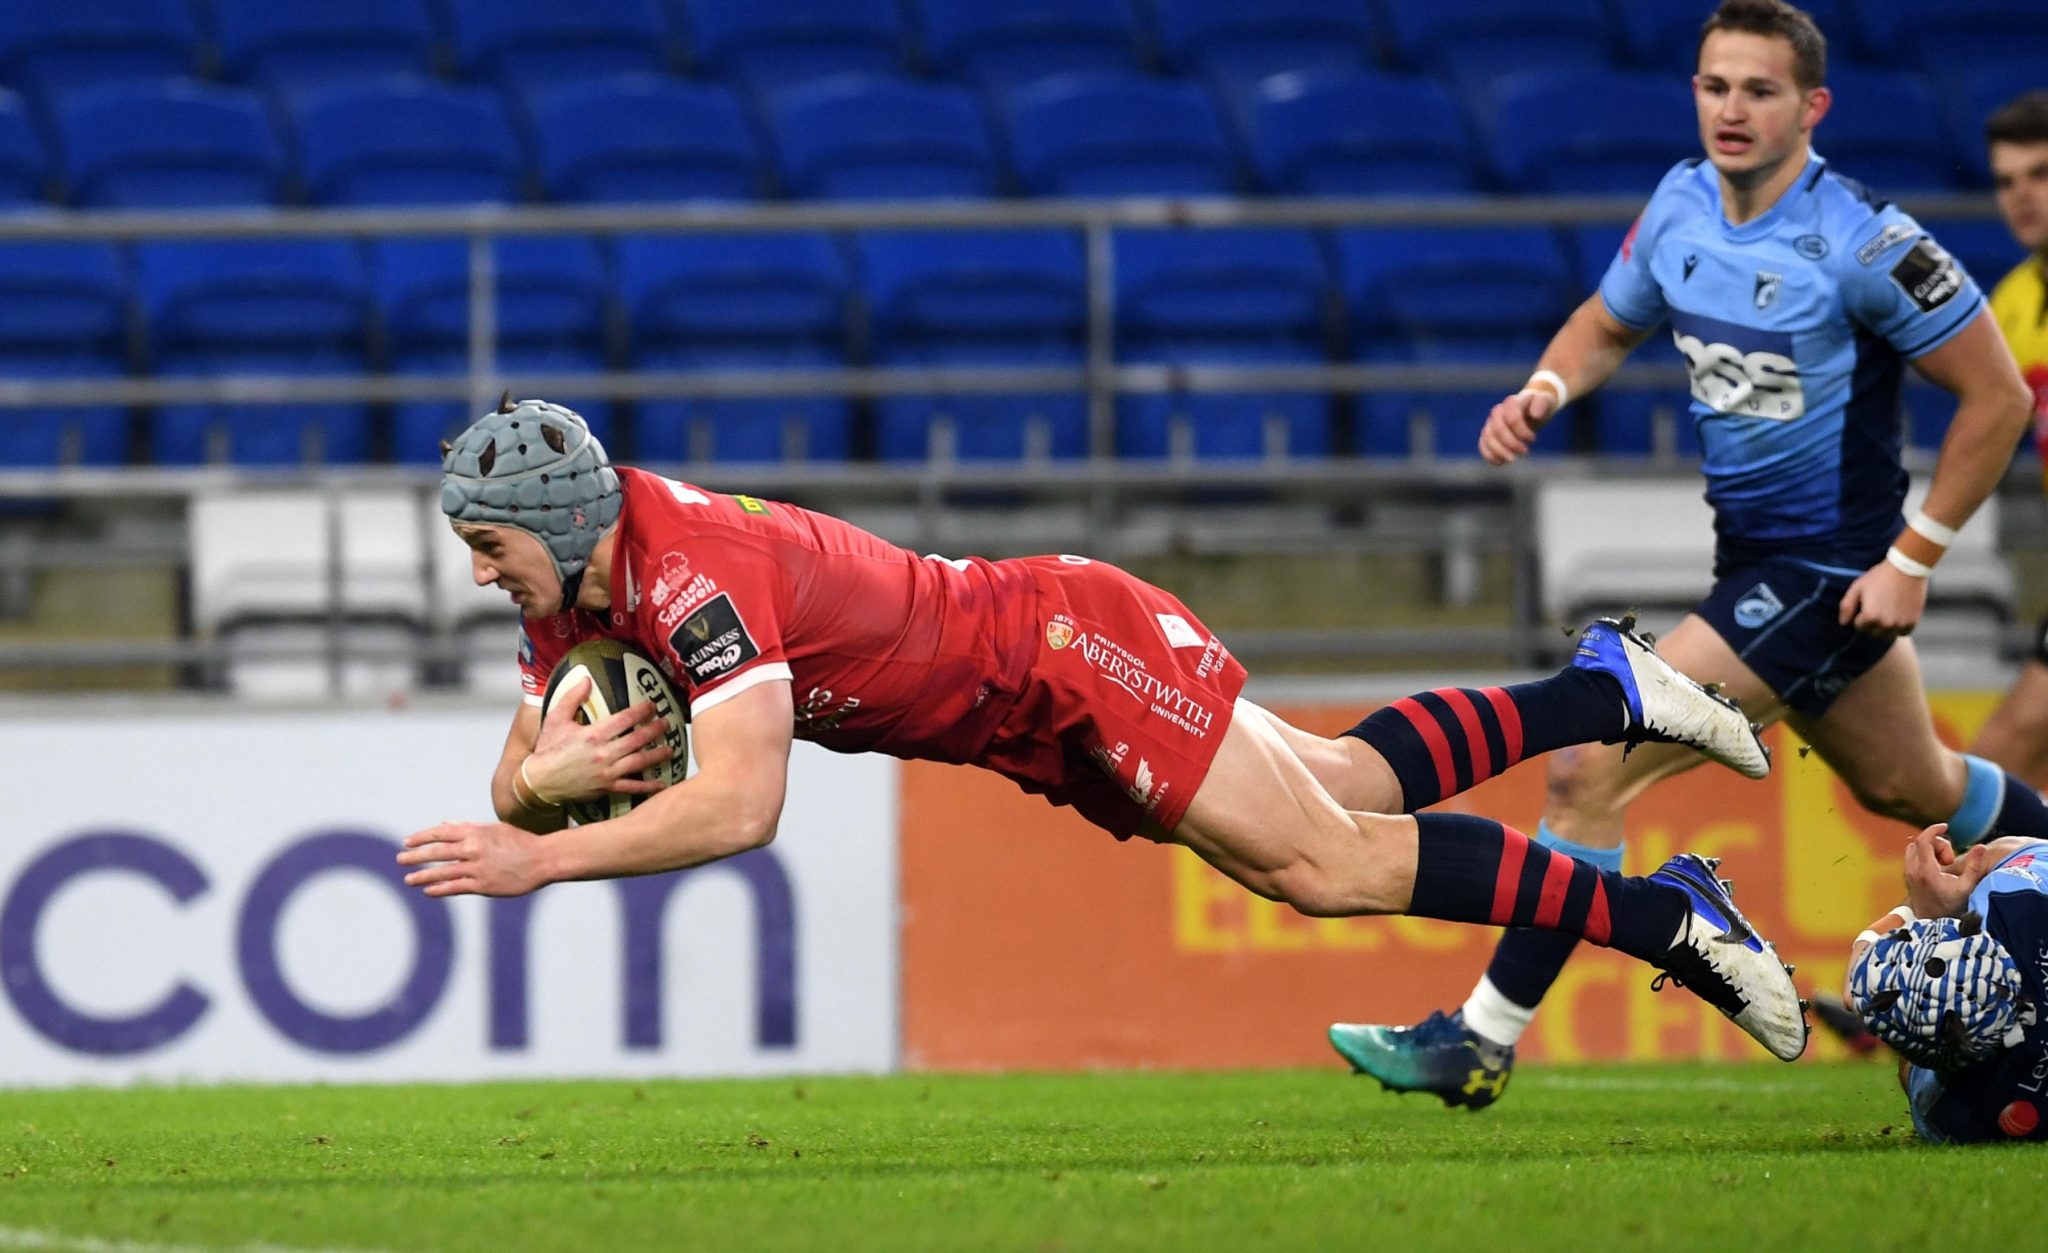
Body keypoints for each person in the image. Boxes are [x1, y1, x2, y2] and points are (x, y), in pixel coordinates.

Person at [395, 396, 1808, 1062]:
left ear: (564, 524)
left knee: (1323, 864)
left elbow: (744, 805)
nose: (478, 569)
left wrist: (545, 858)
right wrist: (547, 789)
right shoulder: (568, 586)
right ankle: (1604, 690)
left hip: (1061, 654)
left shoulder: (693, 571)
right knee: (1343, 779)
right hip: (1024, 710)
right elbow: (516, 781)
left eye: (488, 542)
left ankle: (1667, 922)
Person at [1329, 0, 2048, 1107]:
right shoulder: (1676, 204)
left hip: (1824, 569)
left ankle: (1478, 1037)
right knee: (1915, 782)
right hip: (1754, 565)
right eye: (1713, 86)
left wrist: (1912, 554)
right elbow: (1607, 320)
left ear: (1810, 107)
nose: (1730, 109)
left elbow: (1995, 398)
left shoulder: (1864, 239)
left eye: (1757, 91)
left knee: (1587, 763)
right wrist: (1545, 386)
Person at [1843, 823, 2046, 1144]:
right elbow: (2003, 851)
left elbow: (1913, 1060)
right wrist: (1932, 903)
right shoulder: (2011, 898)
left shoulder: (1954, 1116)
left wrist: (1923, 909)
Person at [1966, 91, 2048, 789]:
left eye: (2041, 174)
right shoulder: (2015, 303)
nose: (2022, 196)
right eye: (2006, 181)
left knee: (2005, 753)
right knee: (2008, 759)